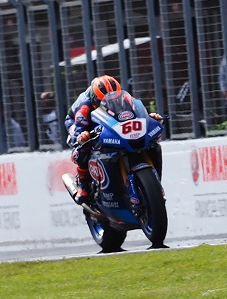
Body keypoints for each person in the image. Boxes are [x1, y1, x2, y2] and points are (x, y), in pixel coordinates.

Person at [65, 74, 159, 203]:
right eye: (104, 101)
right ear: (94, 99)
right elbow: (78, 134)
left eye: (115, 99)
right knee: (82, 148)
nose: (111, 102)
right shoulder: (84, 108)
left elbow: (136, 111)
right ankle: (83, 185)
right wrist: (81, 137)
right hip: (77, 123)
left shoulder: (124, 98)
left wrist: (149, 117)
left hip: (106, 118)